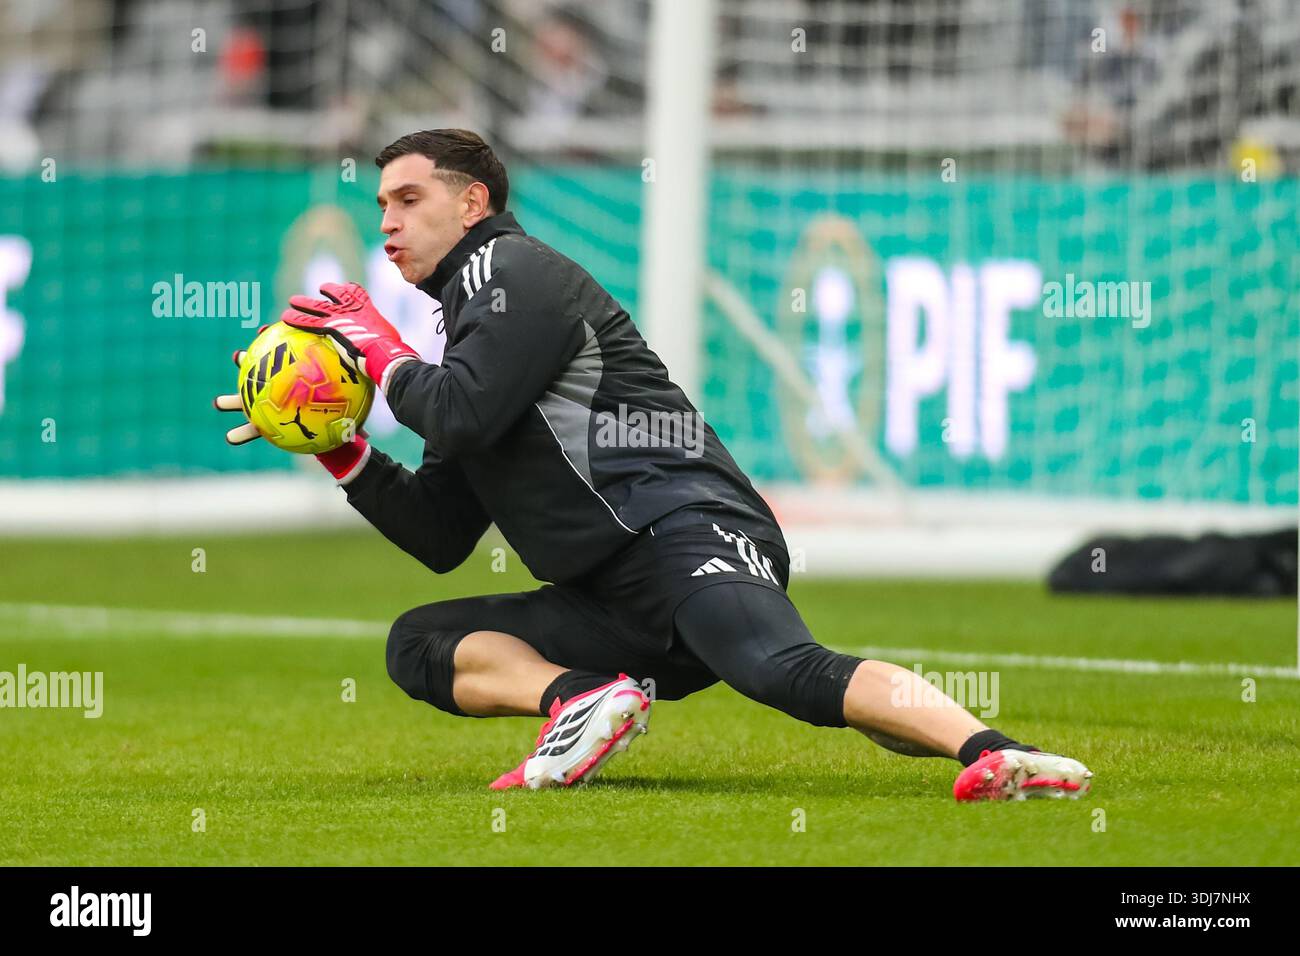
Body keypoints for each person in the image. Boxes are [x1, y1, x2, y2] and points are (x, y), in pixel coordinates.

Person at [215, 128, 1092, 800]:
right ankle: (582, 700)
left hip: (683, 526)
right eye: (380, 208)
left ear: (473, 201)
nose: (387, 224)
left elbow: (462, 411)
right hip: (608, 600)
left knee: (780, 670)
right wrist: (342, 449)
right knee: (421, 640)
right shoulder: (462, 334)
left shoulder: (514, 272)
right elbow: (443, 531)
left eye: (406, 200)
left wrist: (378, 353)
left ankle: (996, 753)